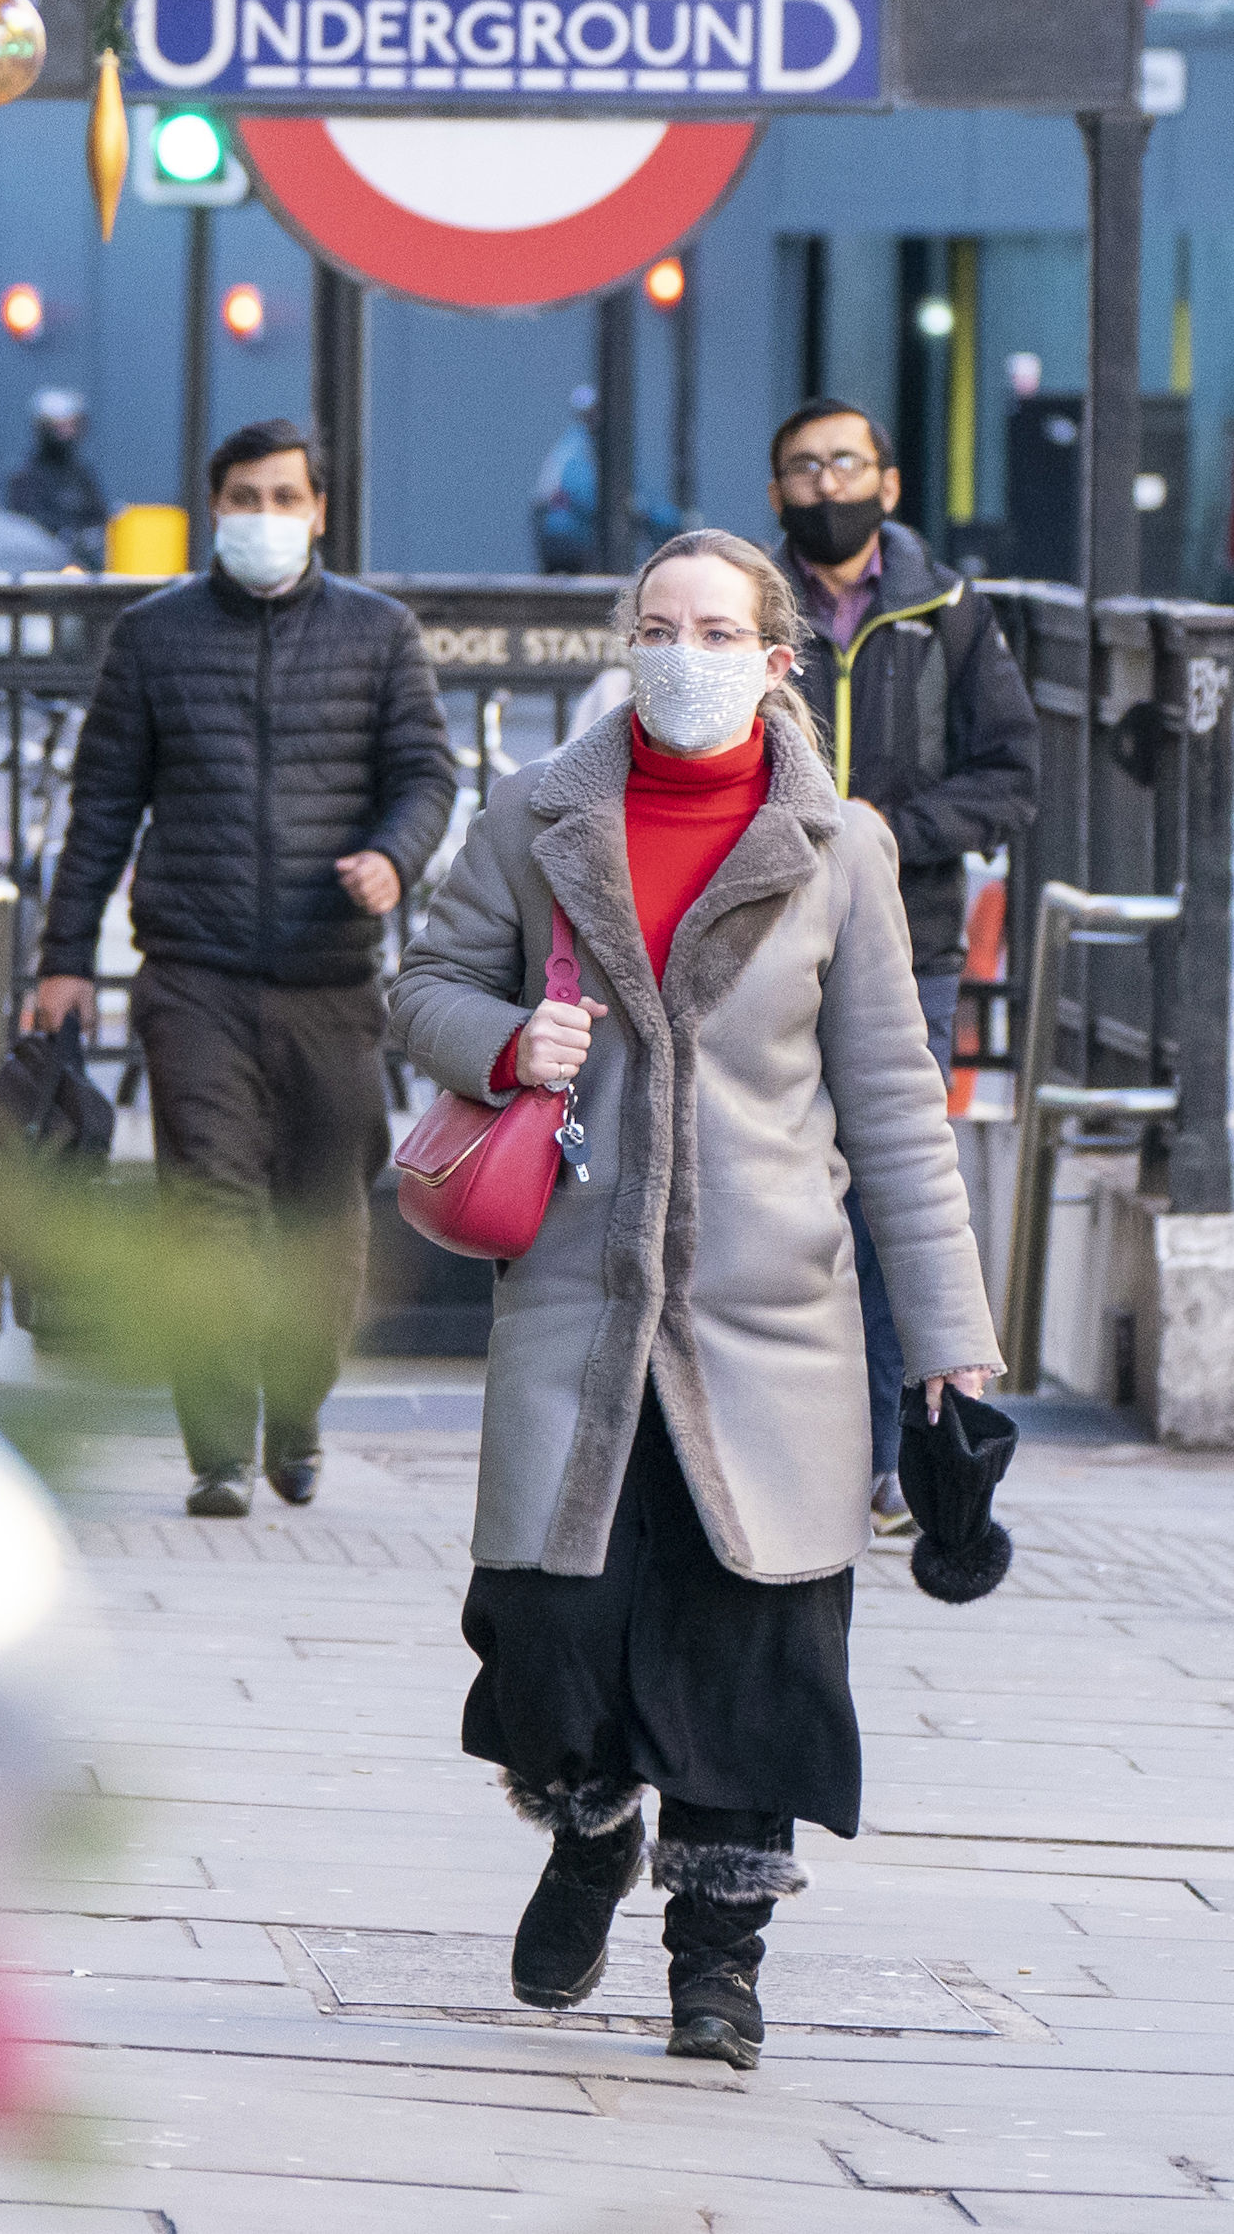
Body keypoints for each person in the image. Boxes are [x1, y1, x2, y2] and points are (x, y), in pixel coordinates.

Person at [392, 530, 1001, 2074]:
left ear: (774, 660)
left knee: (753, 1644)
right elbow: (420, 988)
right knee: (544, 1620)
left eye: (716, 631)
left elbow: (893, 1106)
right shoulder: (536, 817)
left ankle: (717, 1964)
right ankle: (589, 1825)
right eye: (657, 626)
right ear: (627, 644)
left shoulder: (837, 849)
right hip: (576, 1300)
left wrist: (945, 1339)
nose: (683, 653)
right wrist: (500, 1045)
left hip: (769, 1316)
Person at [27, 420, 456, 1517]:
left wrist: (393, 857)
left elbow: (425, 774)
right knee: (208, 1208)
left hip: (331, 978)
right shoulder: (153, 637)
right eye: (244, 498)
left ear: (319, 512)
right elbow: (102, 807)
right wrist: (64, 957)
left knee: (324, 1216)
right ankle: (217, 1449)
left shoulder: (379, 634)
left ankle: (297, 1410)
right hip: (195, 973)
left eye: (284, 498)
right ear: (214, 508)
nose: (264, 517)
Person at [764, 400, 1037, 1536]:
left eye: (846, 463)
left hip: (907, 945)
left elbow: (1010, 778)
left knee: (890, 1197)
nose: (827, 484)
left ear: (888, 480)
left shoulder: (950, 613)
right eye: (804, 467)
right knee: (778, 1194)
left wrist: (888, 831)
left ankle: (884, 1460)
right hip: (762, 945)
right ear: (776, 490)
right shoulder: (748, 606)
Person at [532, 384, 688, 574]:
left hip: (574, 543)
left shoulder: (590, 447)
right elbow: (585, 493)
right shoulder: (579, 448)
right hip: (573, 543)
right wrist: (635, 508)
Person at [1, 387, 109, 567]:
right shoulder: (26, 477)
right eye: (58, 427)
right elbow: (25, 525)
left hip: (83, 566)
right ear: (43, 428)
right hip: (41, 566)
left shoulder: (81, 475)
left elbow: (98, 517)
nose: (66, 433)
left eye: (71, 425)